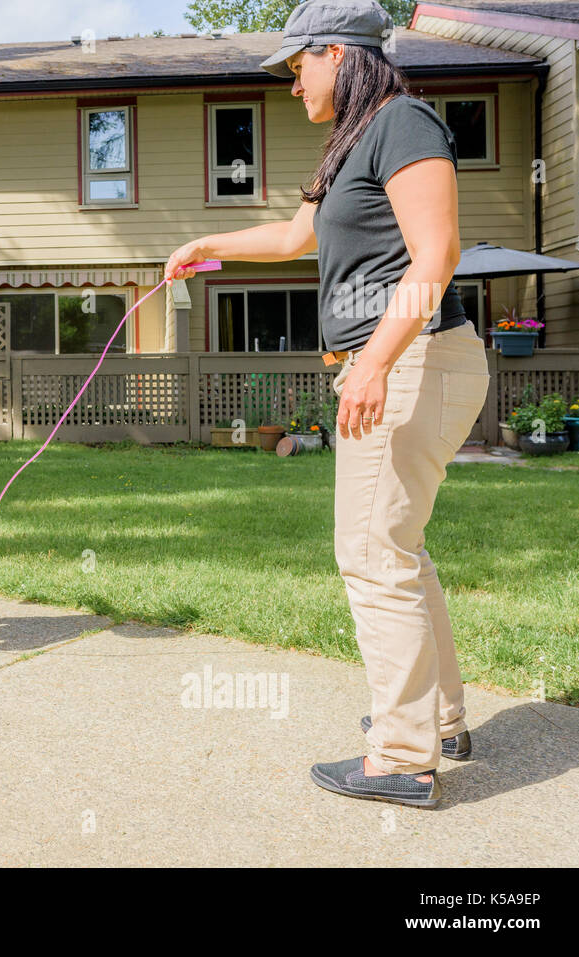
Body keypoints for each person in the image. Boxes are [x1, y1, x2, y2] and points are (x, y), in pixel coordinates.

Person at [166, 0, 490, 809]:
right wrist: (205, 243)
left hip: (413, 357)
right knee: (399, 548)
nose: (290, 84)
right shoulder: (351, 144)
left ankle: (403, 755)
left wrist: (376, 357)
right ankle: (438, 719)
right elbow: (292, 237)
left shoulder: (403, 121)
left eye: (296, 65)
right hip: (404, 360)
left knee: (374, 554)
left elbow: (437, 251)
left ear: (337, 55)